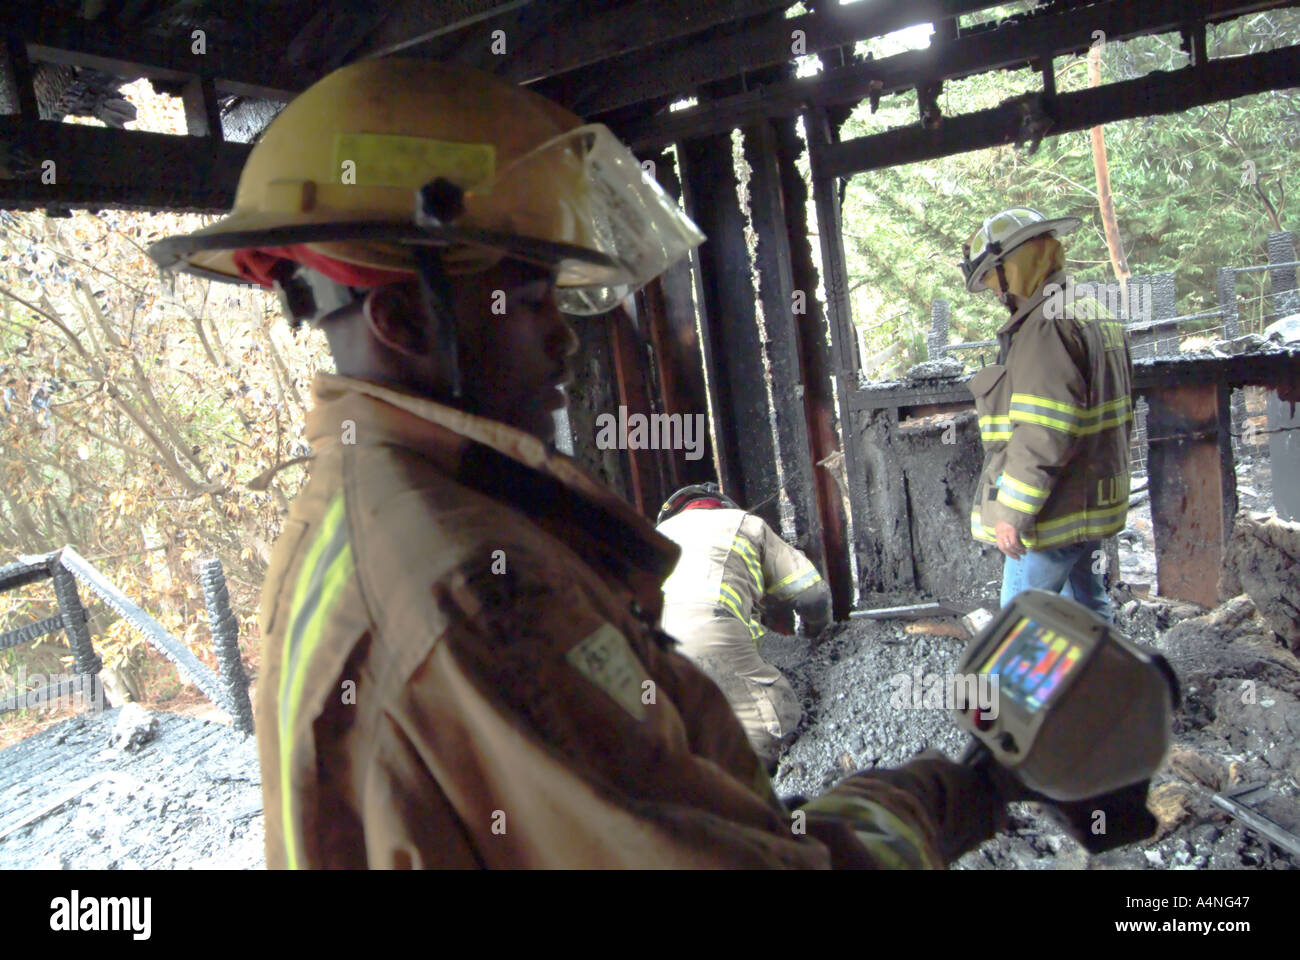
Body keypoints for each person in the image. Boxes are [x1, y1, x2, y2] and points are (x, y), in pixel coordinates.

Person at [150, 57, 1022, 869]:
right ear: (408, 324)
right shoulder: (484, 593)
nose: (566, 337)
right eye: (530, 302)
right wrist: (964, 792)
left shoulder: (361, 509)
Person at [960, 208, 1135, 622]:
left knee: (1020, 623)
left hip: (1054, 512)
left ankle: (1017, 690)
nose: (993, 292)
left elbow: (1042, 431)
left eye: (992, 278)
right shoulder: (1090, 310)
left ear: (1014, 268)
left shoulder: (1045, 328)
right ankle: (1105, 685)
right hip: (1088, 501)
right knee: (1088, 609)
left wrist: (1013, 512)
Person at [655, 483, 829, 770]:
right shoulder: (742, 523)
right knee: (775, 716)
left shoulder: (655, 537)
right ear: (720, 504)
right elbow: (811, 594)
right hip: (709, 630)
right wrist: (822, 631)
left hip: (649, 651)